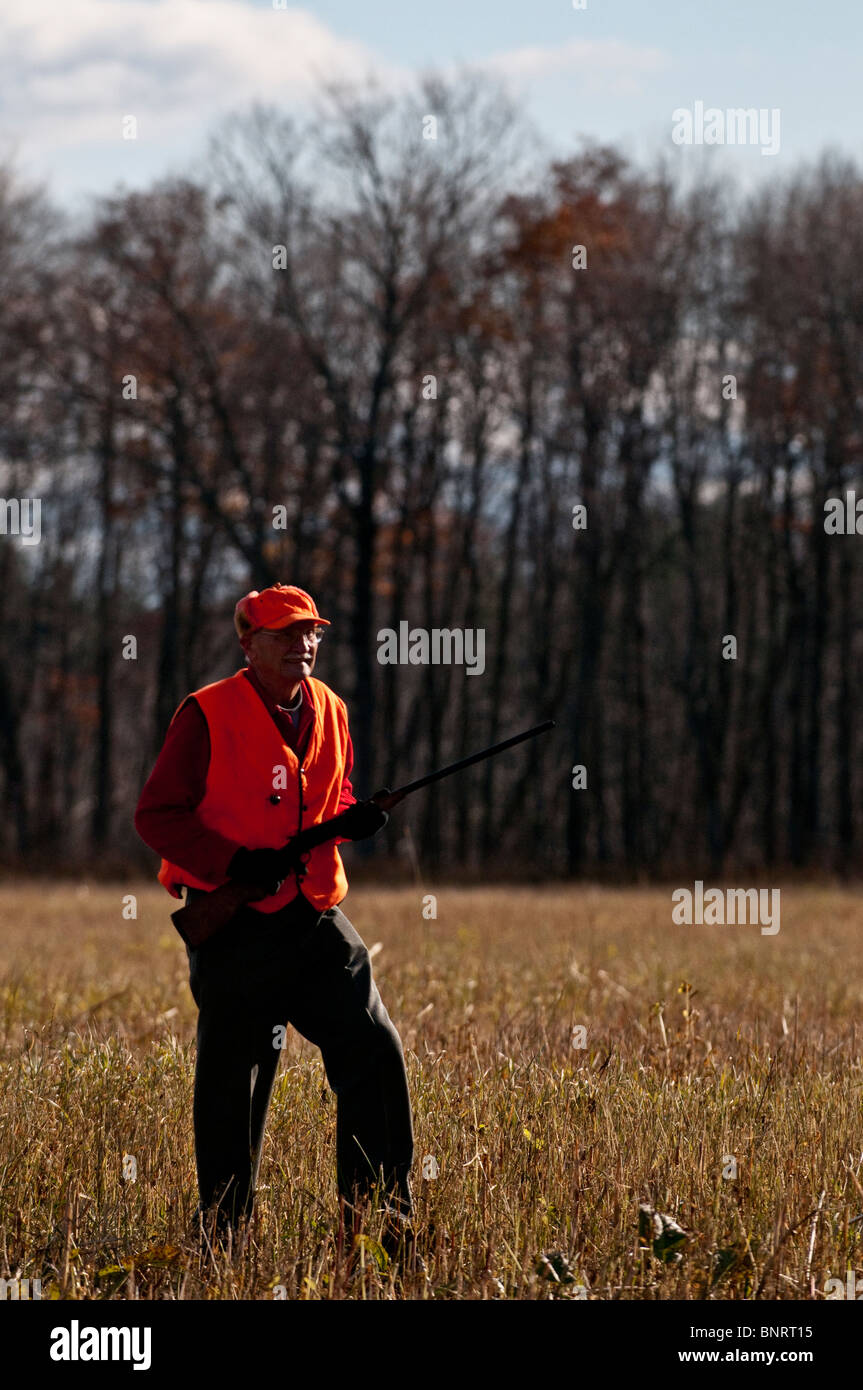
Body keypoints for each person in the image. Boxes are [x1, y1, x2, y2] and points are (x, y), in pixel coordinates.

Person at [134, 583, 415, 1260]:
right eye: (286, 634)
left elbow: (331, 794)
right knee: (238, 1076)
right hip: (232, 928)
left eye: (311, 633)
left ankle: (378, 1226)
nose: (303, 645)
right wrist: (233, 862)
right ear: (248, 644)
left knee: (374, 1052)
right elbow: (157, 816)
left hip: (314, 914)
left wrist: (354, 819)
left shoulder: (330, 709)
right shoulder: (205, 714)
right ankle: (223, 1237)